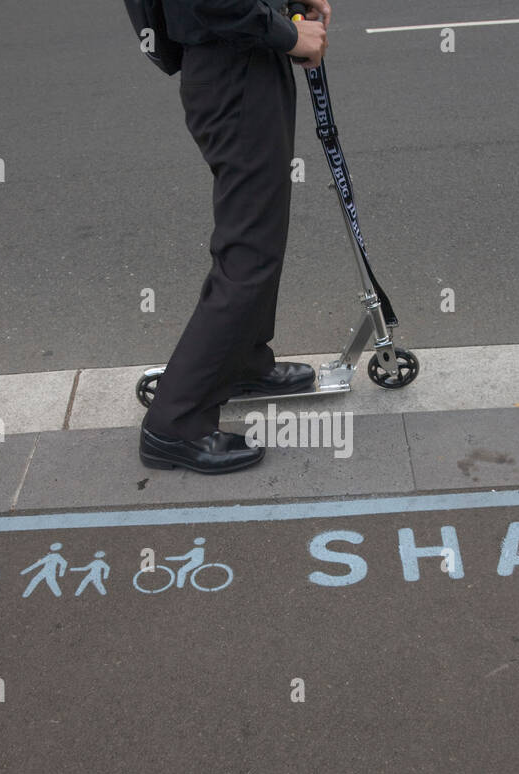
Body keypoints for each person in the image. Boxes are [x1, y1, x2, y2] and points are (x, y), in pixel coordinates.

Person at [139, 0, 333, 475]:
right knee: (248, 255)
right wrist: (285, 32)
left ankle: (242, 361)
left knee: (262, 237)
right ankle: (174, 423)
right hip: (230, 63)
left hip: (243, 56)